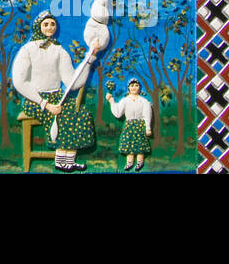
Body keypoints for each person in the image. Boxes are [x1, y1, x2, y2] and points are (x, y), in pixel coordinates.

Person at [10, 10, 96, 172]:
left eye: (53, 24)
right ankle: (60, 160)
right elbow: (19, 81)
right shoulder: (27, 50)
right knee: (65, 115)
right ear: (38, 27)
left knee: (80, 113)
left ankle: (68, 160)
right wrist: (45, 104)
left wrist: (89, 59)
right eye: (46, 24)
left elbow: (72, 82)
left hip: (57, 96)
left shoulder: (59, 50)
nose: (50, 27)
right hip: (34, 99)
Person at [107, 78, 154, 171]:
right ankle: (129, 163)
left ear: (140, 88)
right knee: (129, 145)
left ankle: (140, 163)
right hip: (129, 126)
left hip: (140, 125)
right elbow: (118, 113)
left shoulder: (144, 101)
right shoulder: (125, 100)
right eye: (132, 86)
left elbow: (147, 115)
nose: (134, 88)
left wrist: (148, 127)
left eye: (136, 85)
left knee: (140, 146)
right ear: (128, 88)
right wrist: (111, 101)